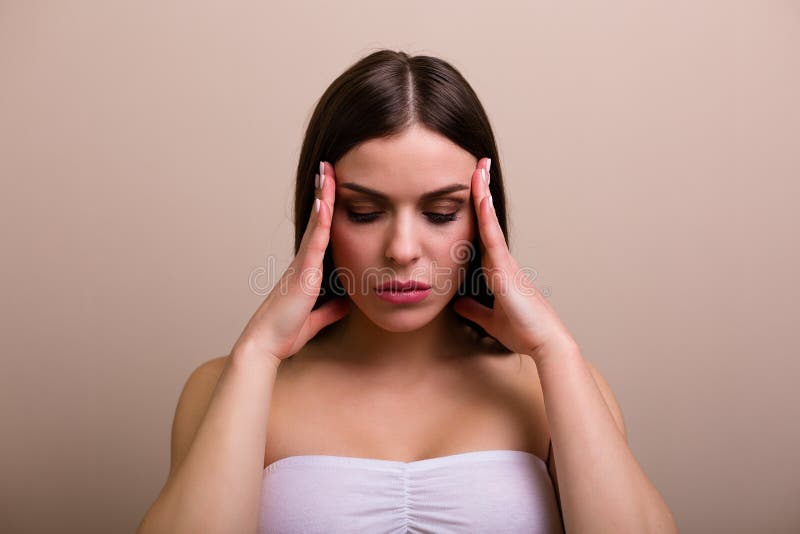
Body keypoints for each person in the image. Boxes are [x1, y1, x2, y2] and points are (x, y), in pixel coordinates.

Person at [137, 50, 678, 534]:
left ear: (482, 219)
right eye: (365, 212)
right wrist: (257, 354)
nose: (401, 248)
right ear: (319, 215)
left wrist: (554, 350)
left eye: (440, 213)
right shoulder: (225, 387)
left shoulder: (555, 385)